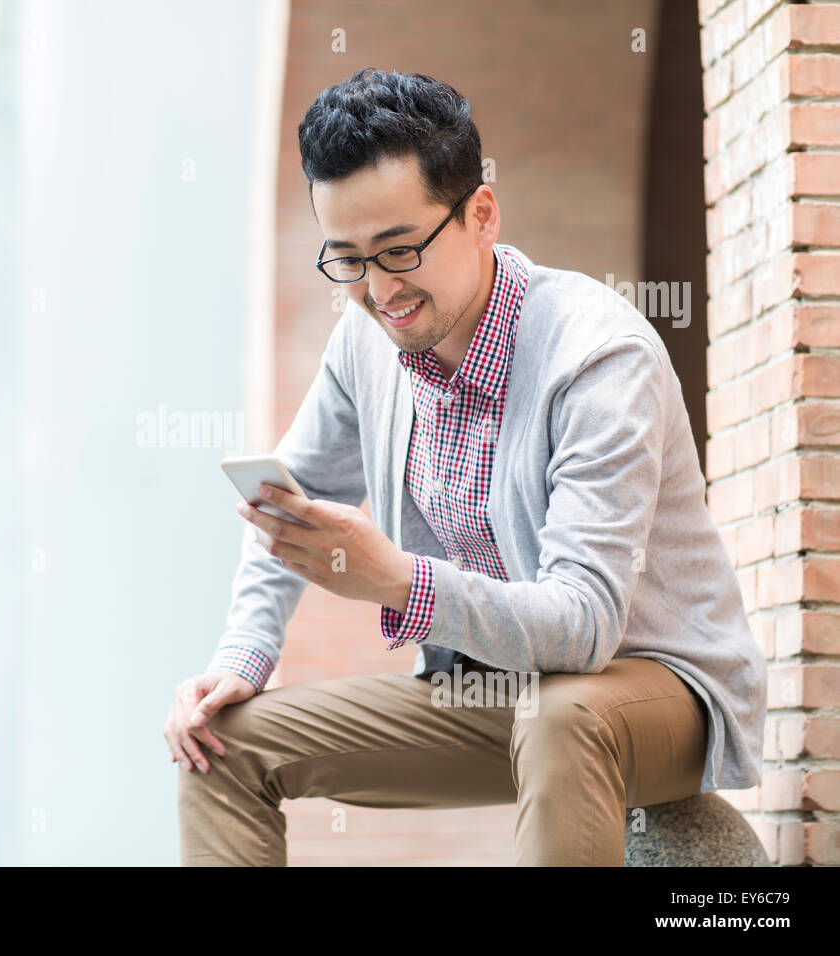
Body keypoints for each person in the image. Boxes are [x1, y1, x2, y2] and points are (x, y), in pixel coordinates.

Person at [163, 68, 767, 867]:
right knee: (221, 745)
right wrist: (240, 659)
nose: (379, 291)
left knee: (565, 715)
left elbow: (584, 628)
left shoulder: (598, 356)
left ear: (481, 214)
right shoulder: (365, 344)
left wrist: (397, 581)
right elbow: (287, 502)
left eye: (400, 249)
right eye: (346, 260)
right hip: (493, 696)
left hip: (653, 690)